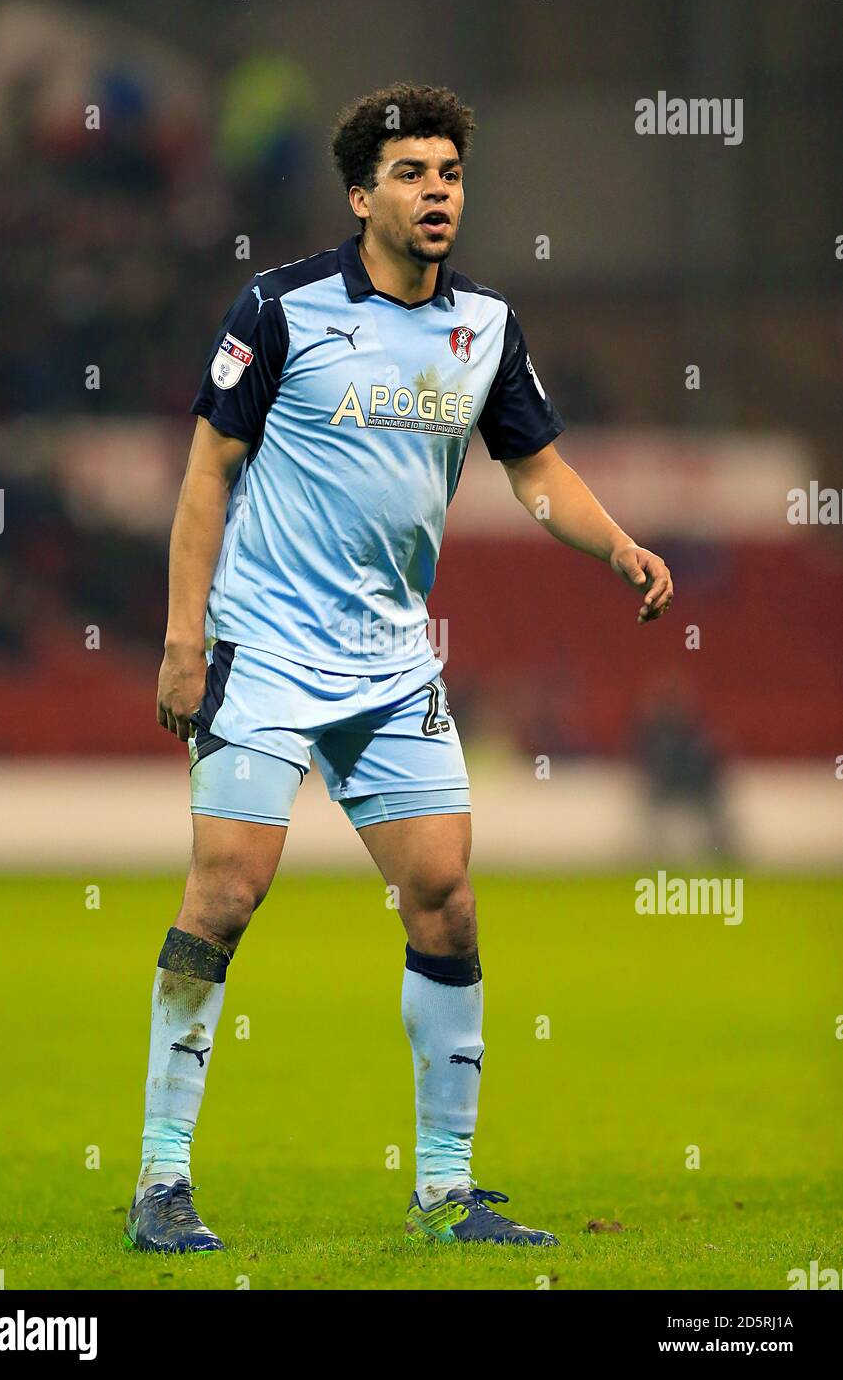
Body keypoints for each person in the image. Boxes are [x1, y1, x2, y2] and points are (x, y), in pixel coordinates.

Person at [125, 83, 673, 1254]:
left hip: (388, 660)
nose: (438, 193)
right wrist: (183, 642)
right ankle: (161, 1184)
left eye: (452, 174)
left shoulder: (486, 329)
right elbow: (204, 476)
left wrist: (618, 542)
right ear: (361, 194)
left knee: (446, 895)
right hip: (262, 647)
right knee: (226, 890)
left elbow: (536, 474)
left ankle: (444, 1191)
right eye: (414, 173)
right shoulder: (280, 308)